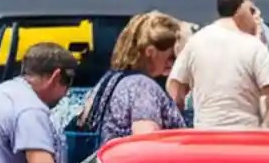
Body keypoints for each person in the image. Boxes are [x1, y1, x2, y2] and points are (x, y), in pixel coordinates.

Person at [166, 0, 269, 130]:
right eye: (252, 10)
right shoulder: (253, 47)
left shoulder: (196, 42)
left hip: (205, 137)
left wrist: (180, 125)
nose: (257, 17)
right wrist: (266, 128)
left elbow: (175, 89)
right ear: (241, 10)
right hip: (246, 137)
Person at [77, 11, 187, 146]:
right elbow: (147, 143)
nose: (172, 63)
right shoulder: (142, 87)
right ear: (150, 53)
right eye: (171, 57)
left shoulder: (107, 82)